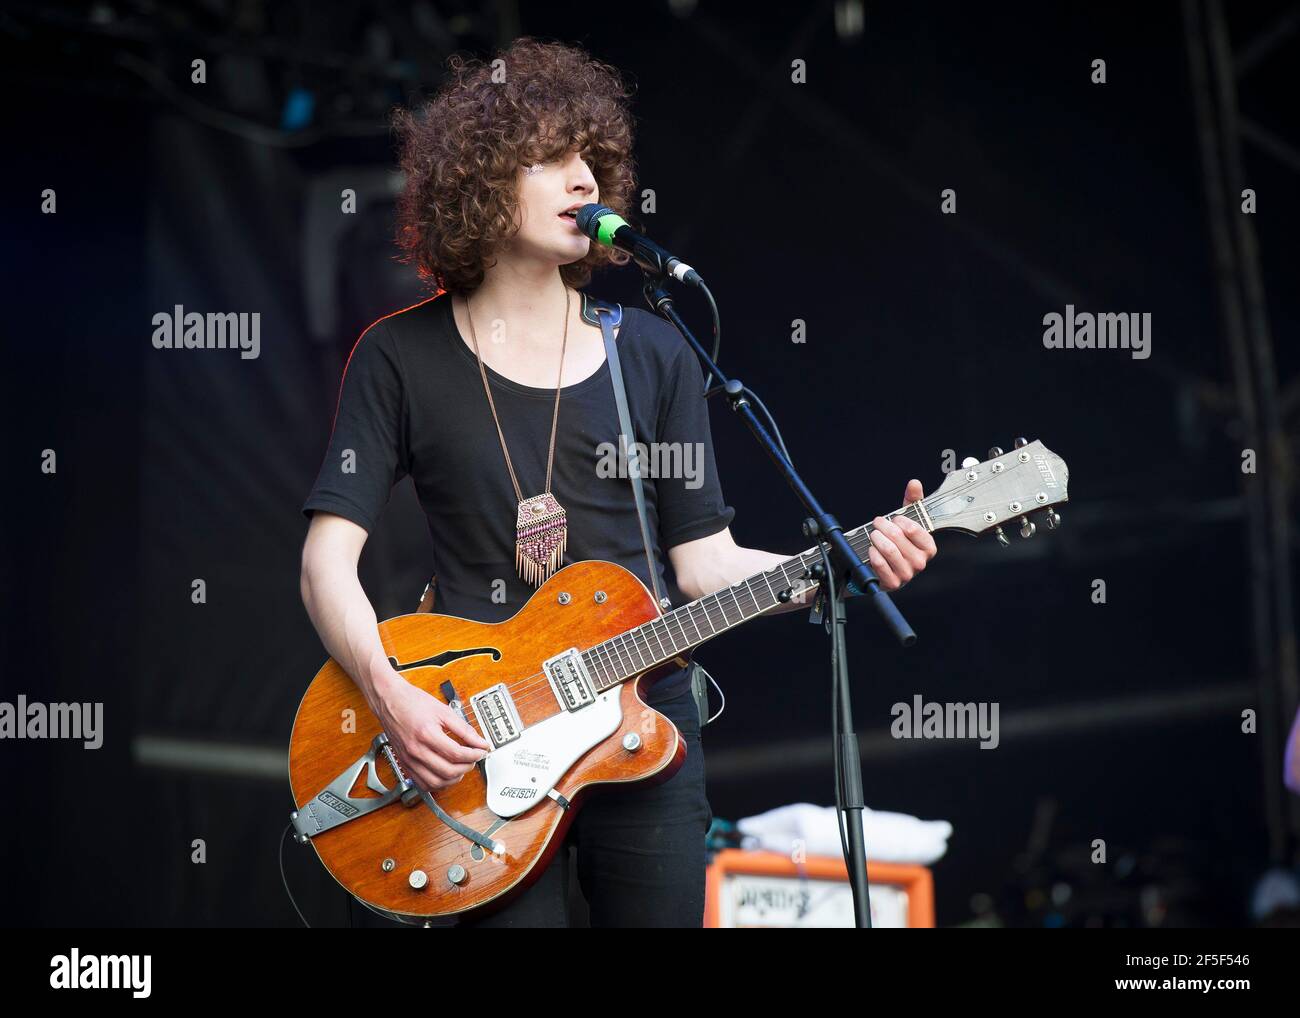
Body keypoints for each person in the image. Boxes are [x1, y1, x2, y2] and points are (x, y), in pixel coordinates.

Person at [299, 37, 937, 927]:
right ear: (479, 182)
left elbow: (705, 566)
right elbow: (326, 564)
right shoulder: (398, 357)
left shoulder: (654, 348)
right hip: (478, 740)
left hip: (646, 728)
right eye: (549, 160)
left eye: (590, 162)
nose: (581, 182)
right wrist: (389, 693)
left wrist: (849, 557)